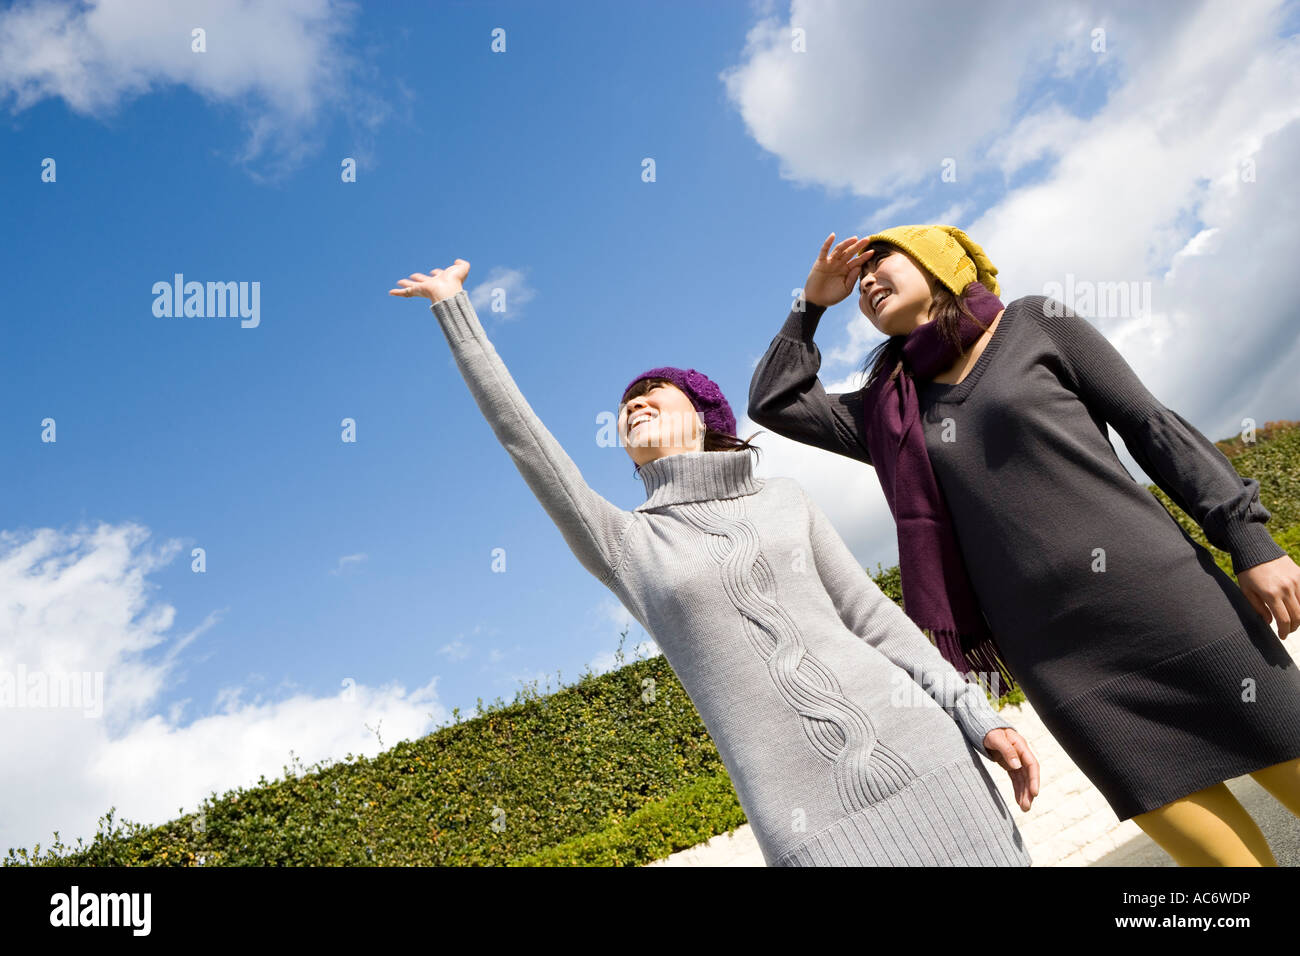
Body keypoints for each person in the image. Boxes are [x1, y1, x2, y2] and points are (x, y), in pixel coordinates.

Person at [389, 257, 1039, 866]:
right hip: (807, 819)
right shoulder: (625, 544)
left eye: (654, 393)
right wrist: (455, 311)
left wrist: (976, 715)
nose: (633, 404)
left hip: (929, 756)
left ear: (703, 417)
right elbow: (525, 442)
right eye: (624, 406)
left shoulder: (784, 500)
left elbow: (876, 623)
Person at [748, 224, 1300, 866]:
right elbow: (775, 399)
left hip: (1172, 603)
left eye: (881, 262)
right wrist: (811, 302)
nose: (865, 281)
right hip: (1063, 665)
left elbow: (1150, 426)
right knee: (1222, 871)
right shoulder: (882, 411)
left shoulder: (1037, 323)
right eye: (857, 276)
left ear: (939, 263)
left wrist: (1249, 538)